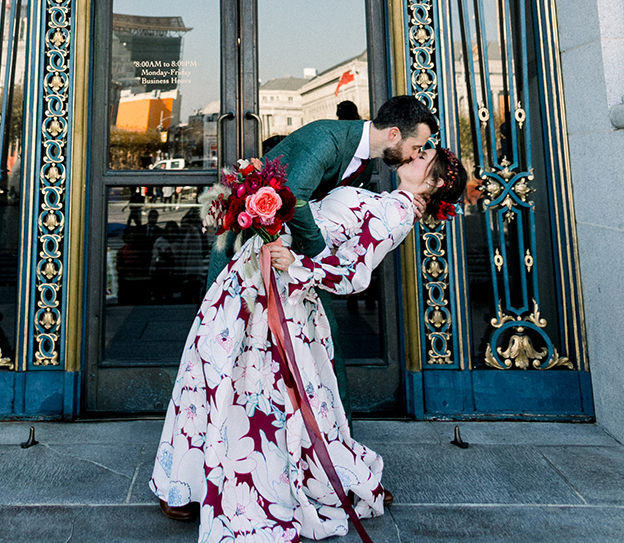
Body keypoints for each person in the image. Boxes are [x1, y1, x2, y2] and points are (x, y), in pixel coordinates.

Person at [151, 146, 467, 540]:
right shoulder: (389, 202)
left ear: (434, 183)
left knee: (241, 382)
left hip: (279, 287)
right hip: (258, 272)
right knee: (219, 372)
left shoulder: (398, 213)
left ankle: (210, 484)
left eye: (423, 159)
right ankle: (189, 481)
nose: (413, 157)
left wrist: (295, 264)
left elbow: (353, 275)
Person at [207, 95, 438, 417]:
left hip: (295, 260)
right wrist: (320, 256)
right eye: (417, 146)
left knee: (318, 344)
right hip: (254, 249)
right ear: (395, 134)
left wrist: (406, 203)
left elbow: (339, 212)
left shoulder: (365, 161)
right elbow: (295, 199)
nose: (416, 154)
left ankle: (318, 433)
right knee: (238, 344)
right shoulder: (326, 138)